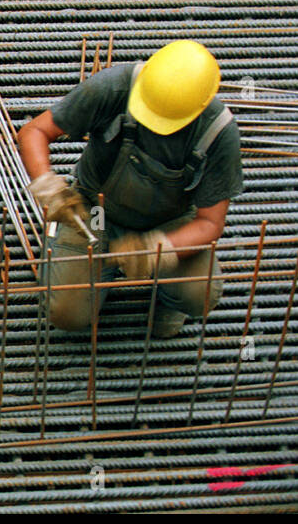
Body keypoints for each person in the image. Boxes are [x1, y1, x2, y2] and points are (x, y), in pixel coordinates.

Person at [17, 40, 242, 337]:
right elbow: (34, 131)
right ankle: (92, 267)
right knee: (67, 315)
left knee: (198, 294)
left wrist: (155, 250)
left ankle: (165, 299)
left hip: (167, 222)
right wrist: (48, 185)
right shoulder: (114, 87)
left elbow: (210, 222)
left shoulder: (218, 132)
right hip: (95, 212)